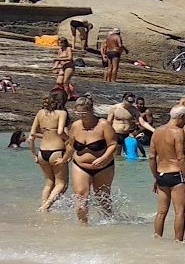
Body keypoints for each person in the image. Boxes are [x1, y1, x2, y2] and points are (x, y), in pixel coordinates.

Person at [67, 96, 118, 225]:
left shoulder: (103, 125)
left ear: (91, 110)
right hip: (80, 165)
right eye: (78, 113)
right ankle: (84, 227)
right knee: (81, 199)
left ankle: (110, 223)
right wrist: (64, 158)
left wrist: (103, 158)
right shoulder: (75, 125)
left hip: (103, 166)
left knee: (102, 198)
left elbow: (113, 144)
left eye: (84, 113)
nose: (81, 116)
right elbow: (71, 144)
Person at [150, 105, 185, 242]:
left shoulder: (157, 131)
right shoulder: (177, 132)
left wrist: (155, 177)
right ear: (181, 117)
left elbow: (152, 157)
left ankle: (157, 239)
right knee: (180, 212)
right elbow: (181, 158)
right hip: (176, 175)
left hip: (161, 174)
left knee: (161, 212)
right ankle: (178, 243)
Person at [29, 92, 70, 212]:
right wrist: (70, 140)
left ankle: (43, 206)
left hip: (42, 152)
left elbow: (32, 134)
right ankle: (46, 207)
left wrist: (34, 154)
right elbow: (60, 131)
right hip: (57, 151)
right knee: (61, 184)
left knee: (48, 183)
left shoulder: (41, 112)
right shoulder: (62, 113)